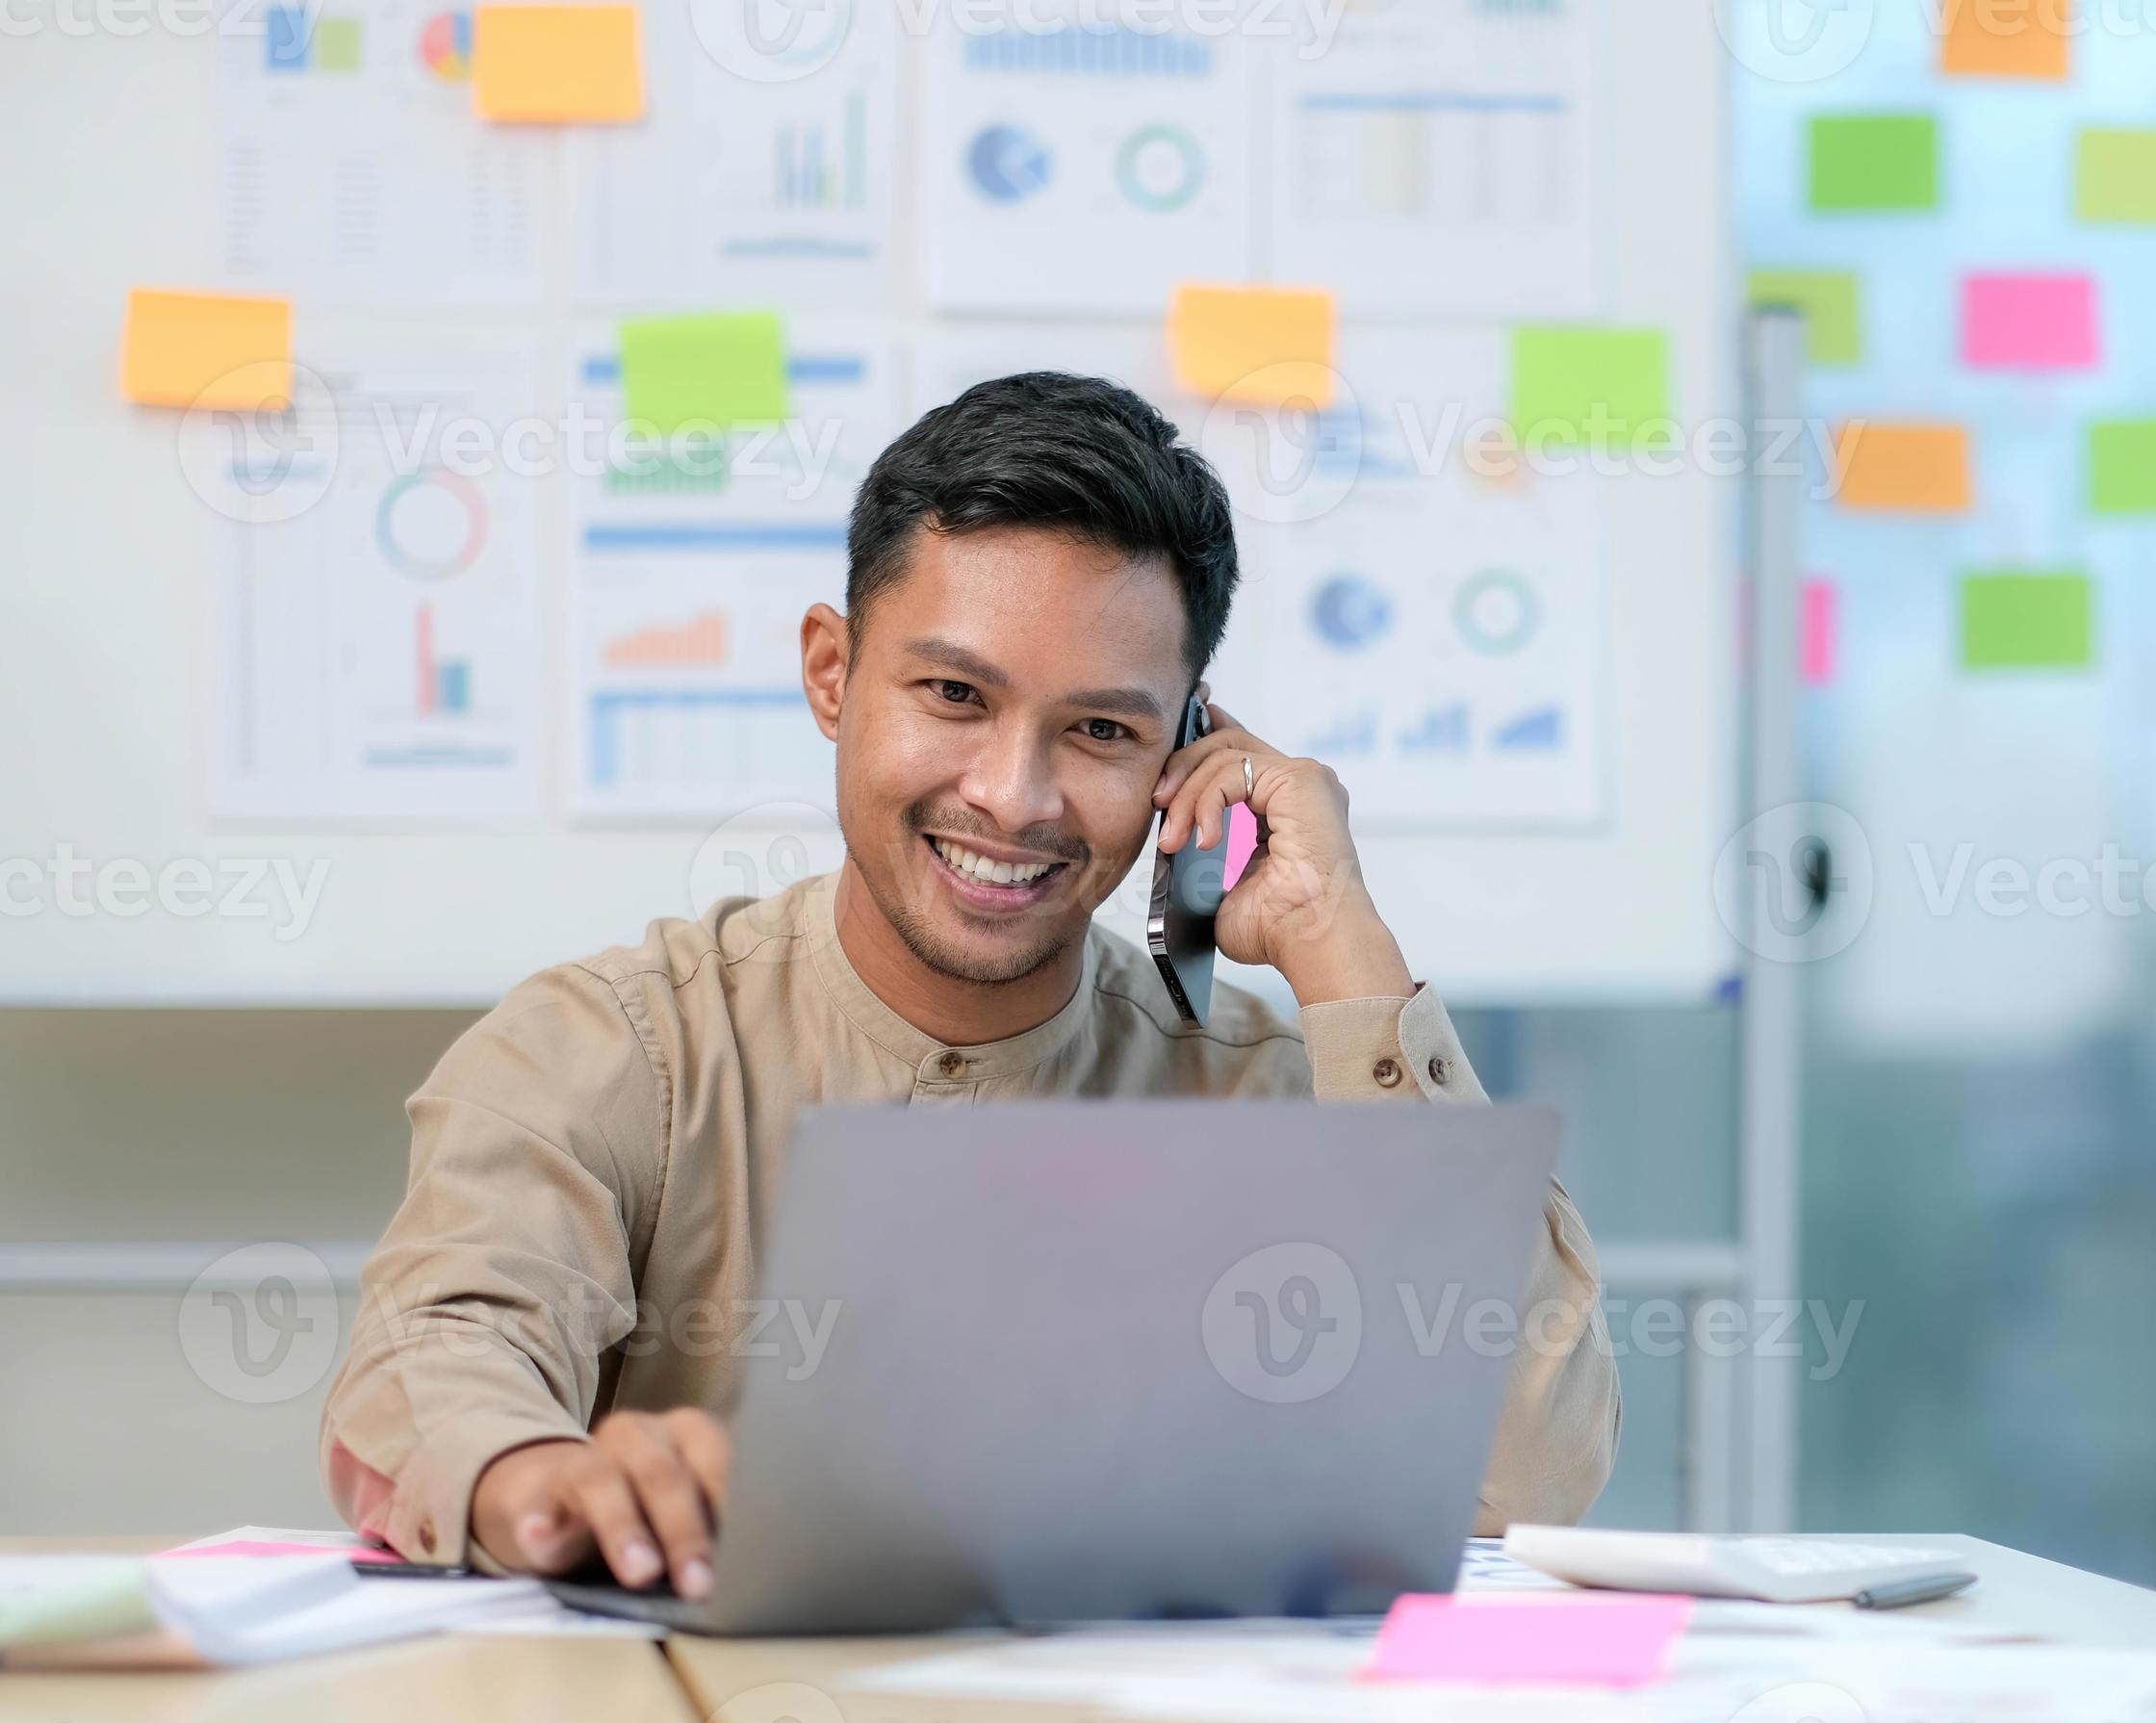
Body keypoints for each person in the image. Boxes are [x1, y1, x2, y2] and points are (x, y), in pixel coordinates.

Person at [318, 373, 1621, 1597]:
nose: (1015, 795)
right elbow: (439, 1351)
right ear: (833, 673)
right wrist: (542, 1480)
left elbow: (1519, 1477)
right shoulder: (617, 1050)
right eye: (953, 694)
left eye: (1103, 729)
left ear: (1190, 748)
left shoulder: (1266, 1093)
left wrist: (1343, 946)